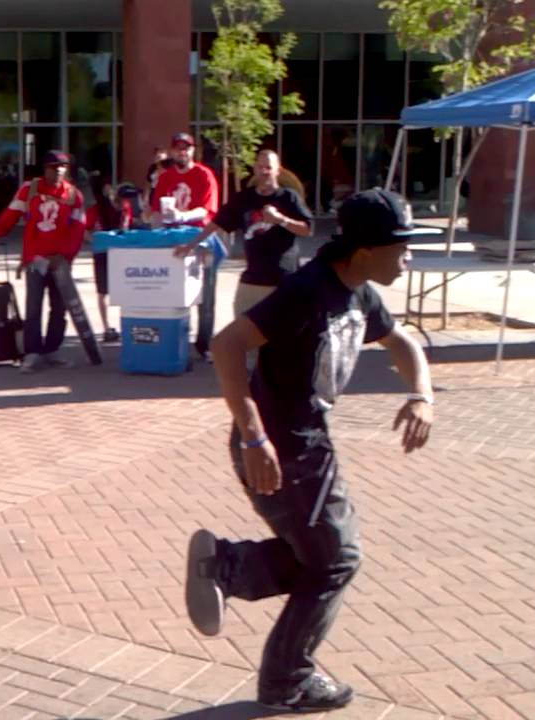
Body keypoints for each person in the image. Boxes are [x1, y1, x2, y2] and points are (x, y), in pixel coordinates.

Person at [183, 188, 437, 712]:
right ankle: (285, 679)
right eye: (401, 247)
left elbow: (403, 342)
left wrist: (421, 395)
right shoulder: (308, 290)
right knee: (337, 560)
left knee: (325, 559)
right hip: (282, 447)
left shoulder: (359, 291)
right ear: (364, 250)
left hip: (307, 444)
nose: (408, 257)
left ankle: (230, 567)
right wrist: (253, 435)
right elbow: (227, 345)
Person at [175, 150, 313, 324]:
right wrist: (191, 245)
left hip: (283, 280)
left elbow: (307, 229)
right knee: (242, 334)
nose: (264, 172)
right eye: (260, 167)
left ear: (278, 170)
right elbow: (216, 223)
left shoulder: (288, 198)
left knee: (282, 338)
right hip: (252, 280)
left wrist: (282, 220)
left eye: (269, 167)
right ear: (254, 169)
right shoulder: (244, 199)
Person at [0, 150, 86, 374]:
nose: (58, 170)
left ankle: (52, 350)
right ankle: (32, 353)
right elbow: (10, 214)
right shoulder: (29, 190)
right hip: (35, 260)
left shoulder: (74, 195)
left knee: (58, 308)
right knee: (33, 307)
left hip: (60, 262)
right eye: (53, 167)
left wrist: (65, 256)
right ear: (45, 169)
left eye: (63, 167)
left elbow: (78, 230)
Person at [149, 132, 221, 359]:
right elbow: (155, 210)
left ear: (193, 150)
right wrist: (154, 220)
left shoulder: (204, 175)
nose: (183, 151)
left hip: (201, 237)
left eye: (187, 147)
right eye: (178, 147)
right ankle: (173, 339)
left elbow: (207, 210)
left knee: (205, 295)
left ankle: (205, 344)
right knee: (172, 292)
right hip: (173, 239)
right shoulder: (165, 177)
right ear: (172, 151)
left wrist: (182, 215)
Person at [84, 171, 133, 342]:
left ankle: (124, 324)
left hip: (119, 252)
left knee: (124, 290)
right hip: (102, 253)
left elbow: (126, 227)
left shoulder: (125, 208)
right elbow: (85, 230)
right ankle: (106, 327)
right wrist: (97, 240)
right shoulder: (95, 209)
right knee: (102, 291)